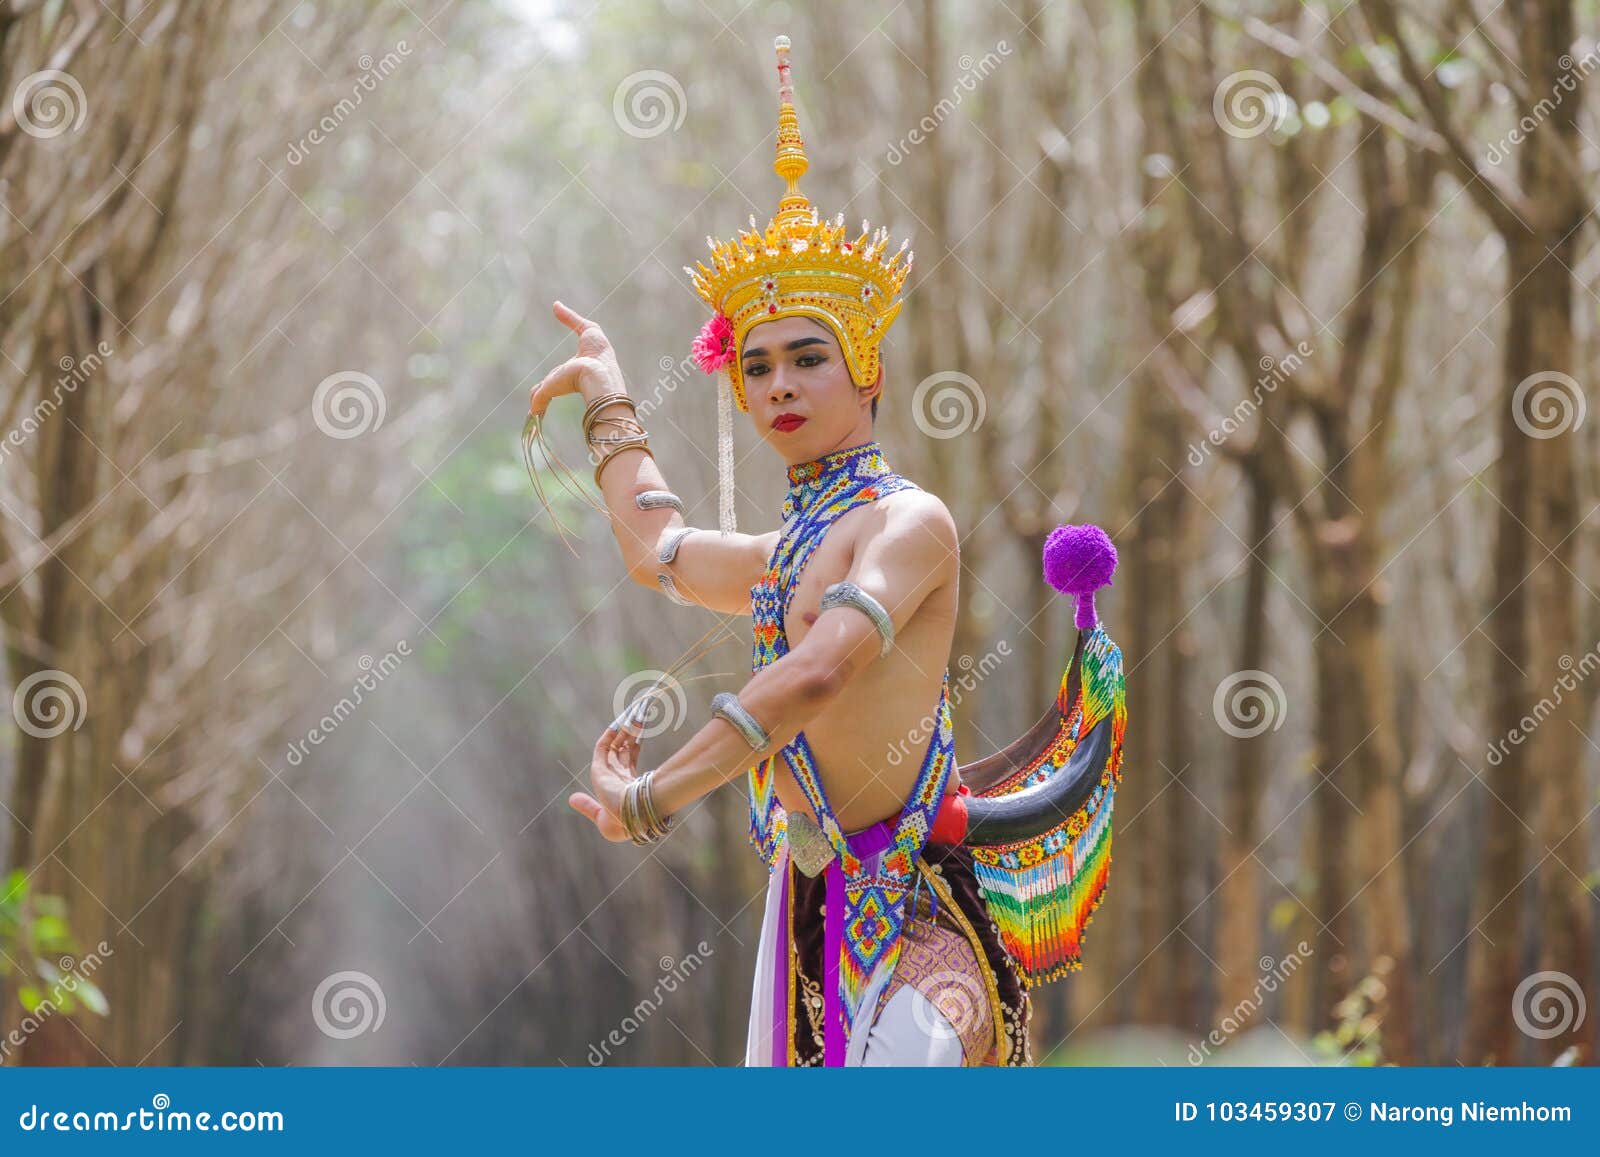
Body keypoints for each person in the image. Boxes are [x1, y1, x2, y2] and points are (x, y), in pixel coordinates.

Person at [529, 36, 1126, 1067]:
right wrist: (610, 395)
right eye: (755, 367)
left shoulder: (912, 524)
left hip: (918, 913)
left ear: (867, 368)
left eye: (807, 357)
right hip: (798, 911)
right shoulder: (785, 552)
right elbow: (656, 550)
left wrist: (650, 796)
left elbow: (815, 671)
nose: (778, 386)